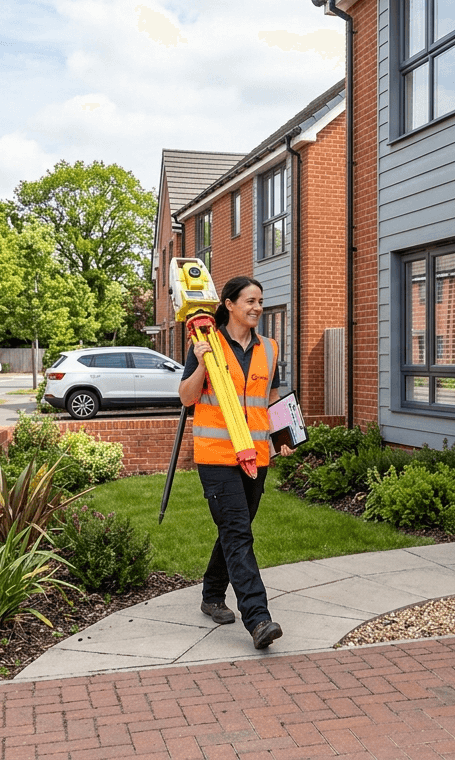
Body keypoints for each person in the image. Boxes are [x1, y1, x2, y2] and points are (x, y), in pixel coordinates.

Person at [178, 275, 284, 650]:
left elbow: (272, 401)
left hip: (256, 456)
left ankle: (210, 595)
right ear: (229, 304)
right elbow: (186, 398)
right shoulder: (205, 343)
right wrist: (204, 365)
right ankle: (259, 619)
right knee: (239, 532)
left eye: (260, 301)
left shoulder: (269, 349)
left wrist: (284, 438)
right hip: (217, 457)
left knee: (234, 530)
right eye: (250, 301)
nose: (257, 307)